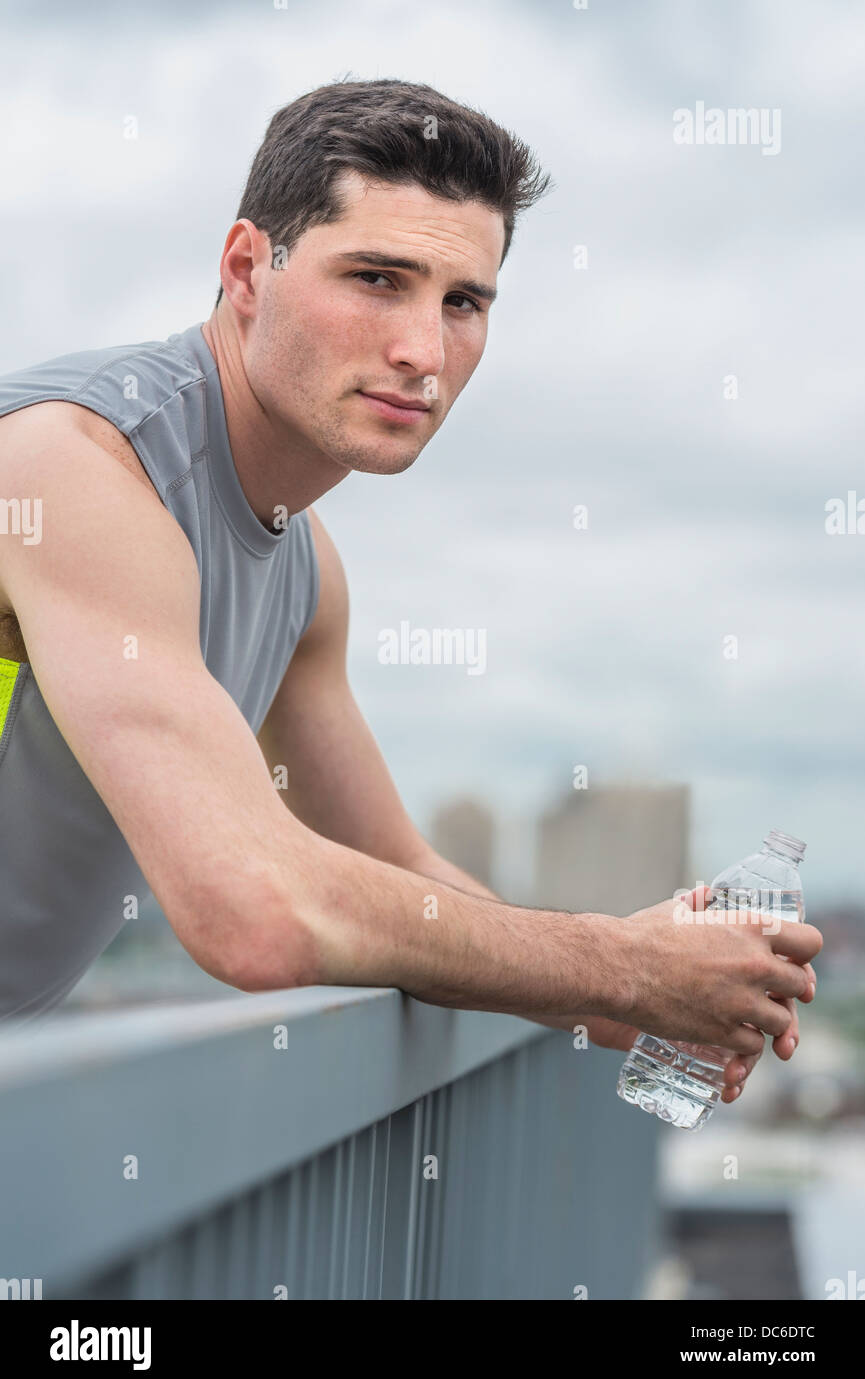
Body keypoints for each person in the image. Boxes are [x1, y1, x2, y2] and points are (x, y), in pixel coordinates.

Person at [0, 78, 819, 1097]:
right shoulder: (70, 468)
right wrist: (624, 963)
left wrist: (630, 997)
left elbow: (393, 867)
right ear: (249, 268)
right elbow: (252, 909)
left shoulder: (303, 570)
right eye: (377, 278)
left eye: (462, 302)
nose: (423, 354)